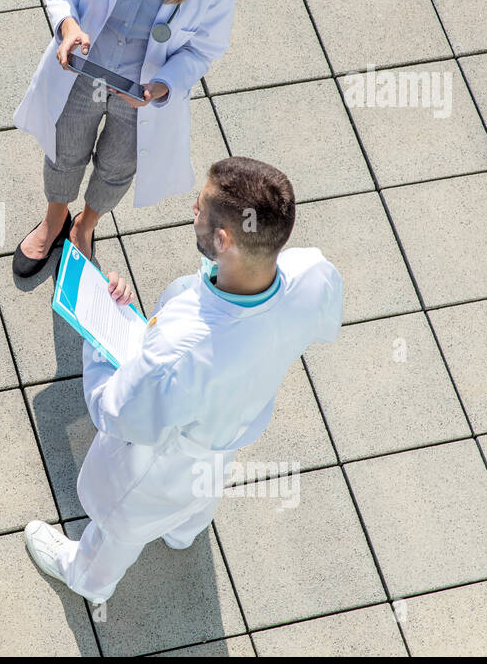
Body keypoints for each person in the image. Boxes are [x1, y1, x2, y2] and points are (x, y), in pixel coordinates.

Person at [24, 157, 344, 604]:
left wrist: (102, 331)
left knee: (122, 525)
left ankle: (87, 579)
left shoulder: (180, 349)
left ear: (223, 238)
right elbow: (324, 326)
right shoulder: (314, 275)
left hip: (162, 462)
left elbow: (112, 410)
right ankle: (184, 532)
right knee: (200, 497)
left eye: (198, 208)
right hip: (229, 435)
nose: (192, 211)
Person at [12, 0, 241, 277]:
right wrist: (68, 25)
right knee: (64, 151)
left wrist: (164, 86)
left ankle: (86, 225)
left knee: (119, 166)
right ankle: (55, 219)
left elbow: (205, 48)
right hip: (81, 70)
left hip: (140, 93)